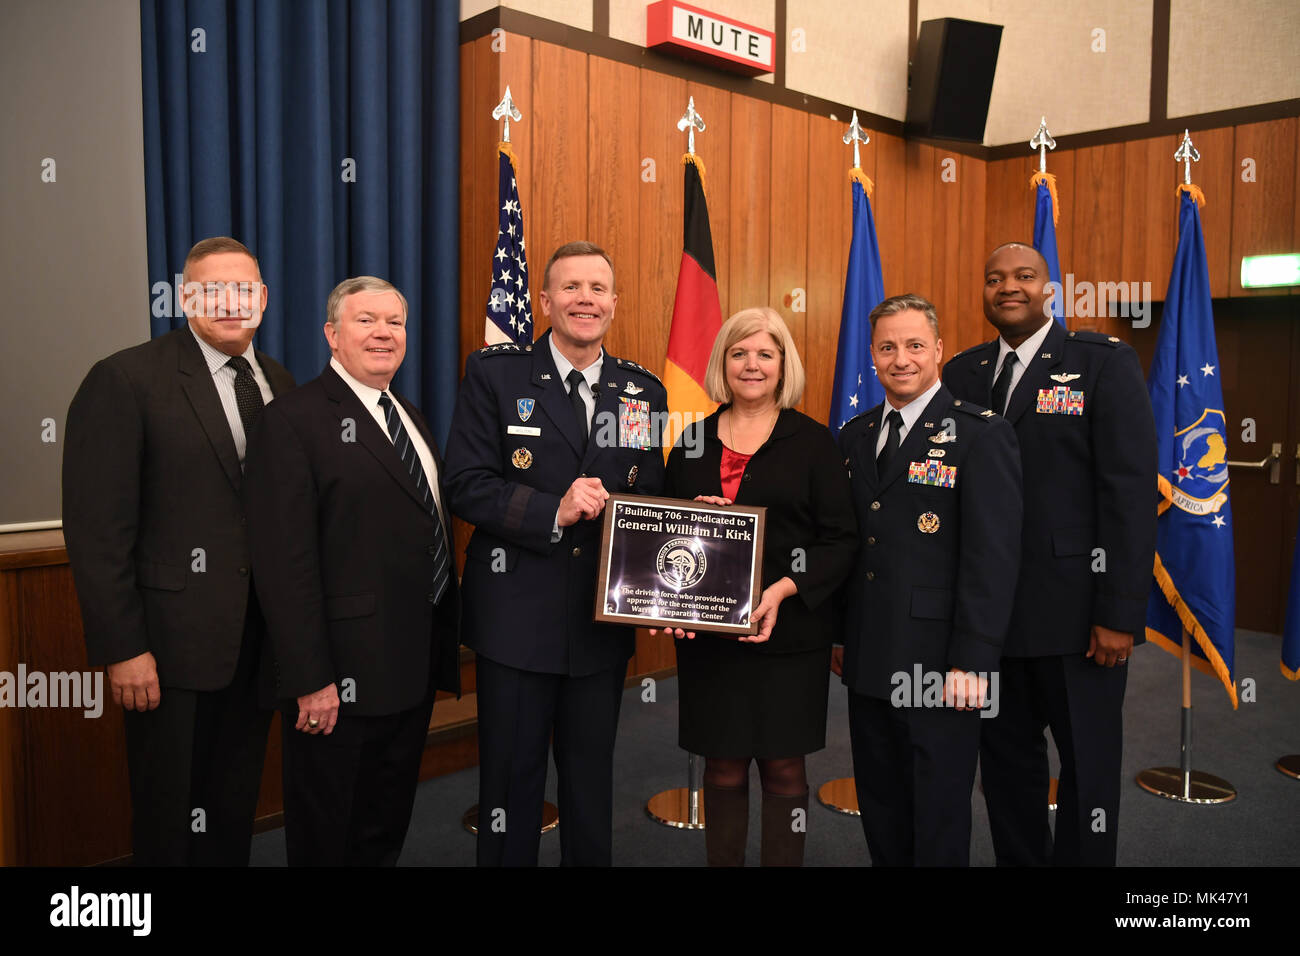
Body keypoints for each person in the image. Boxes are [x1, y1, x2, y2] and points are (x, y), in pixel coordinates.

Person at [63, 236, 295, 865]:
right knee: (169, 818)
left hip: (255, 646)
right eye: (213, 289)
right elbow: (97, 531)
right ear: (185, 297)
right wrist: (123, 649)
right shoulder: (125, 379)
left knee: (232, 806)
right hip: (166, 650)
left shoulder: (276, 379)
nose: (230, 302)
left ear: (264, 299)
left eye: (243, 289)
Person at [444, 240, 667, 866]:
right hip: (516, 620)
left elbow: (646, 494)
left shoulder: (642, 391)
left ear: (615, 304)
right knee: (511, 789)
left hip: (600, 623)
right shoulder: (495, 373)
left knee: (592, 785)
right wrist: (553, 510)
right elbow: (464, 483)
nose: (584, 300)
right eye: (570, 288)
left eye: (598, 289)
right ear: (544, 301)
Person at [942, 243, 1157, 866]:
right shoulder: (962, 374)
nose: (1008, 287)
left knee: (1088, 767)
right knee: (1007, 769)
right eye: (994, 279)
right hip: (990, 622)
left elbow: (1129, 493)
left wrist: (1119, 611)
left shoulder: (1102, 365)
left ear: (1050, 290)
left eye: (1023, 276)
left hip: (1077, 618)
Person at [243, 275, 460, 866]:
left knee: (382, 826)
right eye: (366, 321)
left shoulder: (408, 415)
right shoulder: (291, 421)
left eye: (395, 322)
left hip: (409, 668)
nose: (383, 333)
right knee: (326, 835)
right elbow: (284, 564)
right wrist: (311, 677)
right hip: (337, 681)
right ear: (332, 335)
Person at [660, 307, 856, 866]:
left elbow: (840, 541)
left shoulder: (814, 442)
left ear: (782, 364)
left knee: (783, 765)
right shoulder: (692, 442)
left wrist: (782, 589)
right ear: (723, 362)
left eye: (764, 353)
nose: (752, 364)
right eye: (739, 353)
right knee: (721, 762)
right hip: (711, 638)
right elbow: (666, 538)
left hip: (789, 634)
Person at [838, 293, 1022, 866]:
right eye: (888, 347)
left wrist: (974, 660)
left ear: (938, 350)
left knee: (939, 811)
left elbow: (993, 557)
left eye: (915, 345)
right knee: (882, 804)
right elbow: (851, 546)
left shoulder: (980, 434)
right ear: (871, 354)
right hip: (869, 655)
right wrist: (843, 635)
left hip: (941, 664)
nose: (902, 359)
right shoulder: (855, 434)